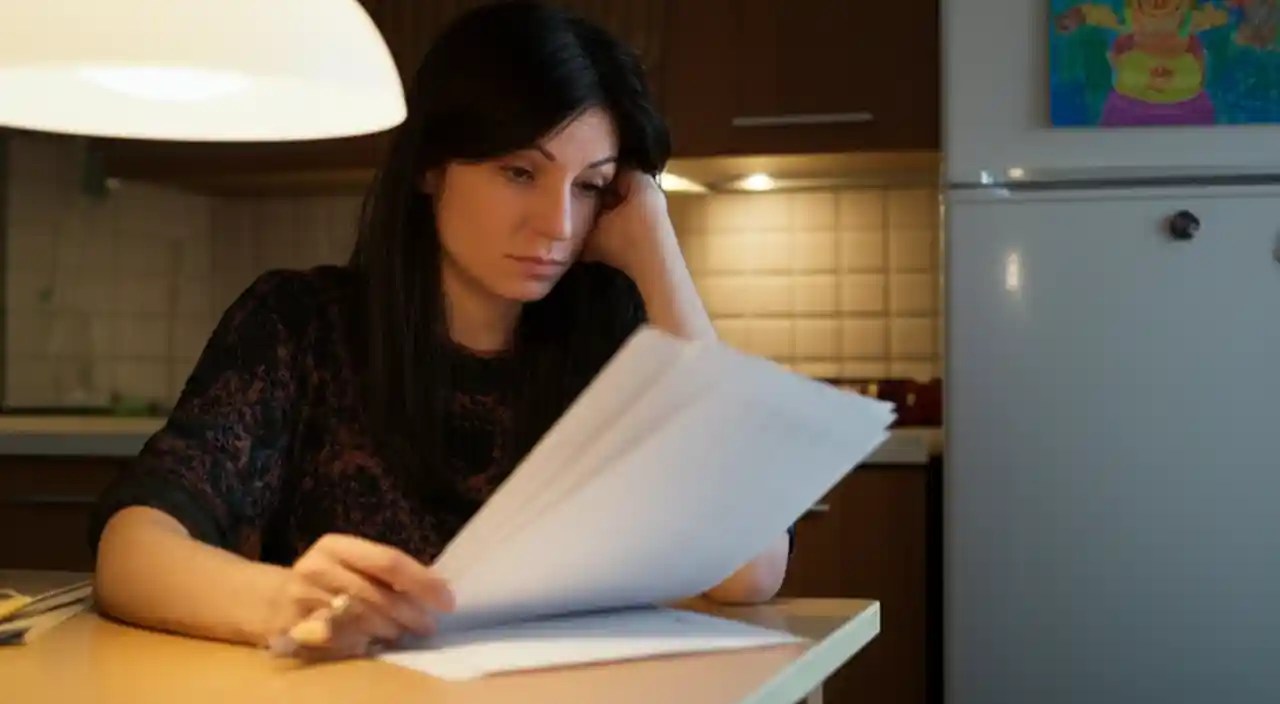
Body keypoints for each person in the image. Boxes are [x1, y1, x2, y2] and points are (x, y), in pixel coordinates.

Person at [88, 0, 792, 660]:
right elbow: (131, 552)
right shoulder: (298, 326)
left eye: (589, 186)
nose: (558, 225)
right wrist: (284, 600)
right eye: (519, 171)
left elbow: (751, 571)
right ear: (431, 166)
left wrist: (655, 246)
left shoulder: (610, 340)